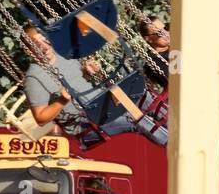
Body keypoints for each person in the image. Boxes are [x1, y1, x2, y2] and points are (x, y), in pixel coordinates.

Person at [21, 25, 166, 146]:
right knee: (132, 115)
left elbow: (81, 79)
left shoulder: (64, 55)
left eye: (44, 40)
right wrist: (62, 100)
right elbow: (40, 119)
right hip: (86, 125)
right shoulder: (33, 78)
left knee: (143, 96)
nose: (44, 46)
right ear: (29, 50)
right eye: (36, 44)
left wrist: (88, 72)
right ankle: (172, 145)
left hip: (104, 105)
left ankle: (182, 129)